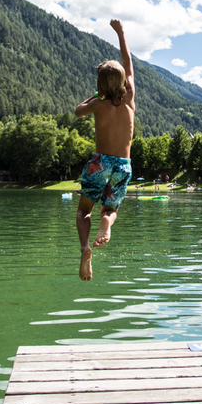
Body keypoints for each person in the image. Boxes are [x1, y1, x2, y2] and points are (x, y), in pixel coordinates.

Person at [73, 19, 135, 281]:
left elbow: (77, 112)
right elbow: (128, 63)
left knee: (84, 210)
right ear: (123, 82)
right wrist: (121, 33)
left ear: (99, 84)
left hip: (101, 163)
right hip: (124, 165)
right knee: (110, 209)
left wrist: (94, 96)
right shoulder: (130, 95)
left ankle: (86, 248)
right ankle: (107, 224)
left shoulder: (98, 103)